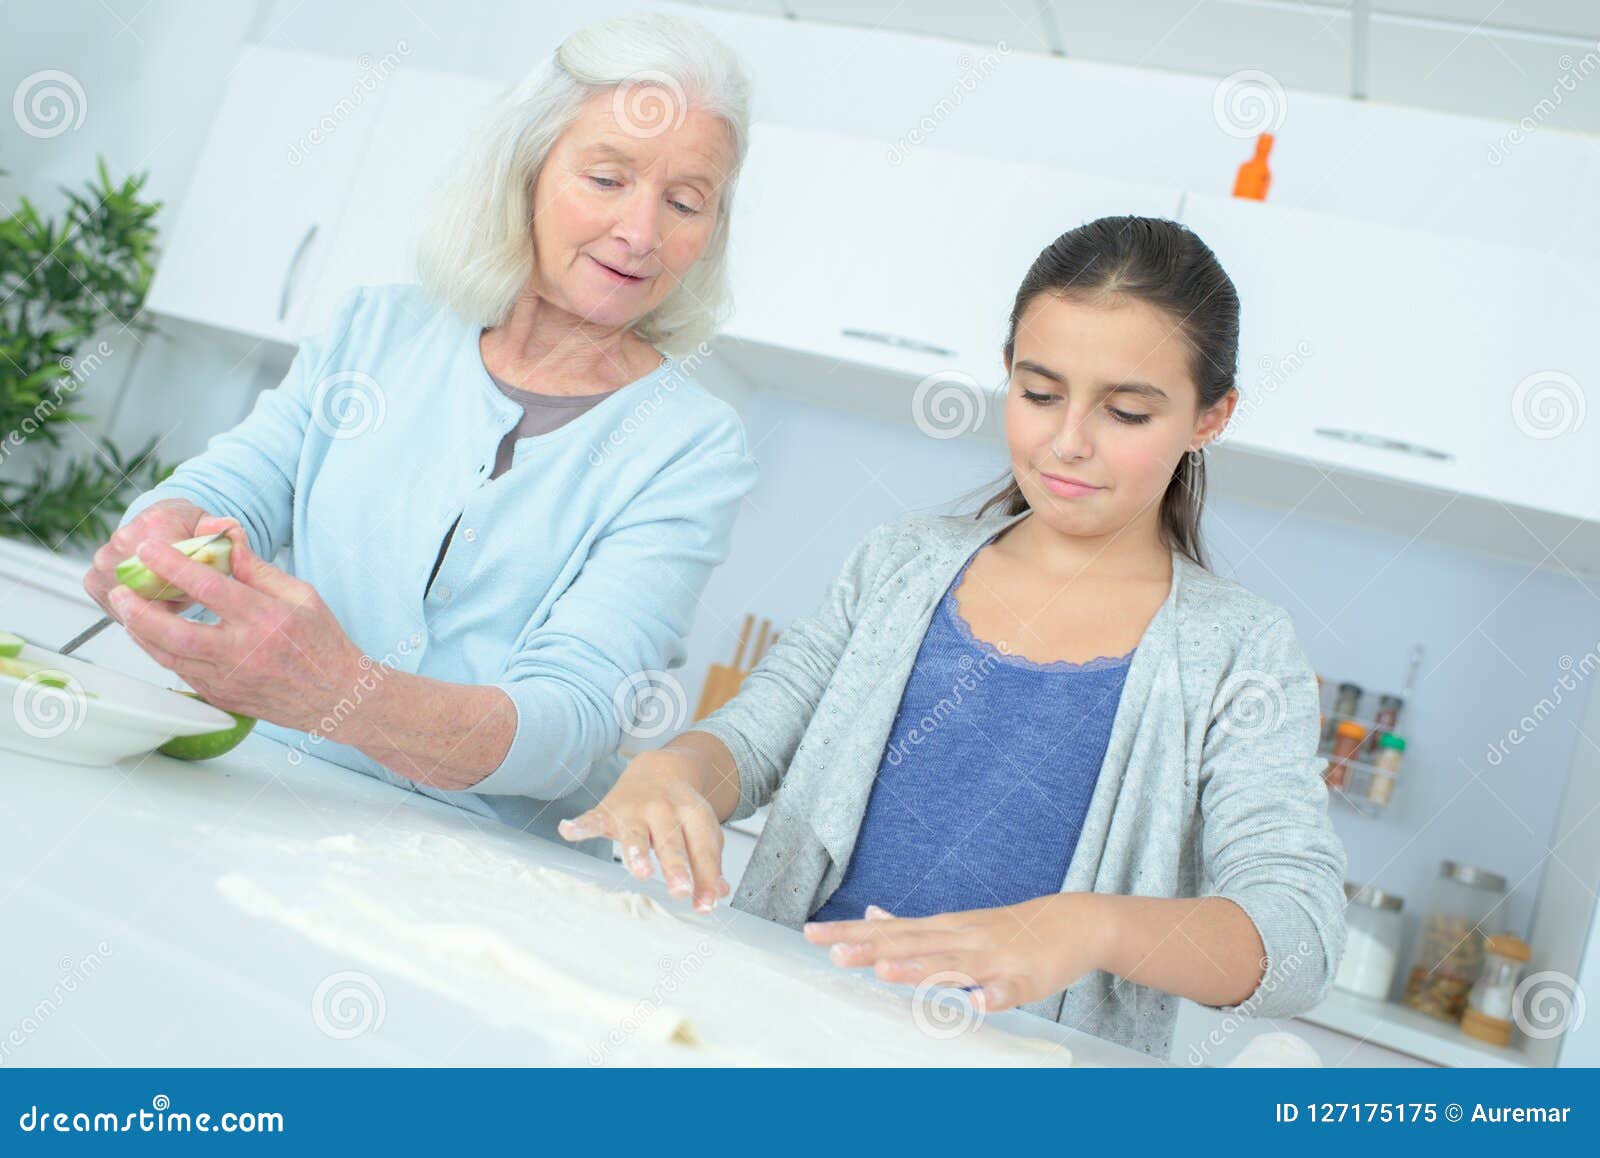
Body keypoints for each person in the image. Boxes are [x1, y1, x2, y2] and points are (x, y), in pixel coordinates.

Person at [559, 216, 1348, 1058]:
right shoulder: (900, 563)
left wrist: (1087, 928)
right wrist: (677, 771)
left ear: (1209, 417)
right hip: (776, 1044)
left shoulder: (1238, 650)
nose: (1068, 441)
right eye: (1040, 394)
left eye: (1125, 411)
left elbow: (1297, 938)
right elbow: (755, 742)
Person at [82, 12, 758, 850]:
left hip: (471, 857)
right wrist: (166, 529)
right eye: (608, 179)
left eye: (686, 202)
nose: (642, 233)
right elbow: (238, 487)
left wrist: (340, 689)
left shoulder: (691, 445)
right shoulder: (378, 331)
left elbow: (575, 722)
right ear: (526, 174)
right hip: (257, 785)